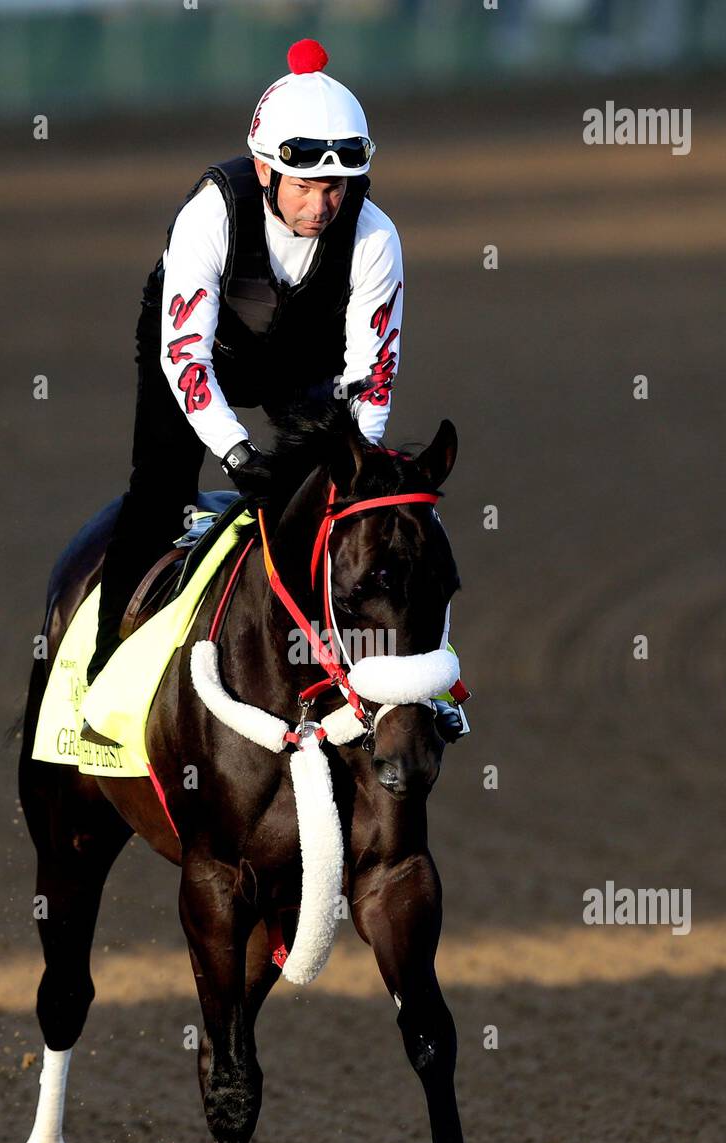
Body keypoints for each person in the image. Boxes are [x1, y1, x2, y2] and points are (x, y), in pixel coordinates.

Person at [87, 37, 467, 739]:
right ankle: (104, 683)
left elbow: (371, 375)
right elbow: (187, 357)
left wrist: (353, 466)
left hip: (301, 360)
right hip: (203, 352)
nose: (322, 204)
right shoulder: (212, 212)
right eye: (305, 187)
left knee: (338, 506)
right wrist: (235, 454)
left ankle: (368, 675)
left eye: (336, 188)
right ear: (264, 170)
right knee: (160, 487)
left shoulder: (376, 237)